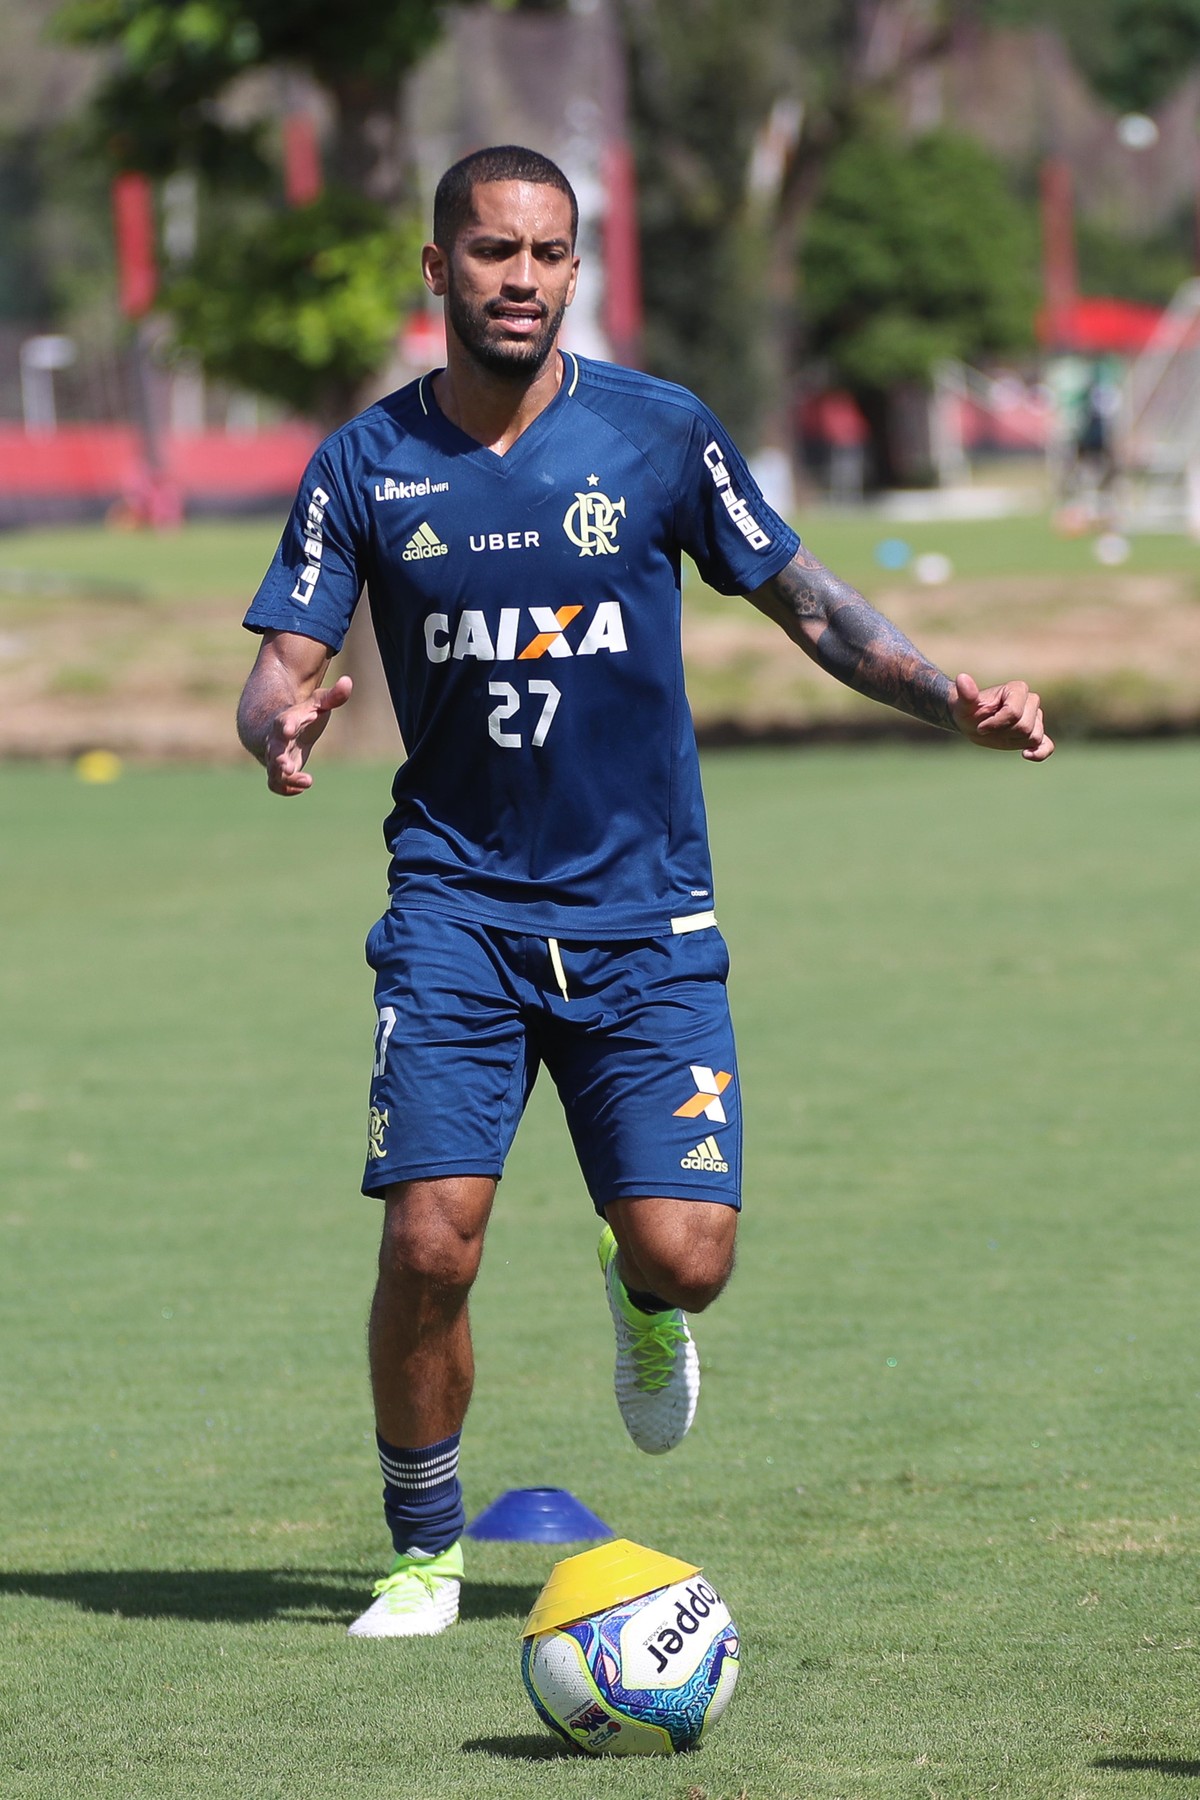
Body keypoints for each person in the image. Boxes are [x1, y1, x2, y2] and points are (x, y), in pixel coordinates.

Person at [236, 144, 1053, 1640]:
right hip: (456, 909)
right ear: (438, 268)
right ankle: (423, 1550)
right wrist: (275, 723)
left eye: (548, 253)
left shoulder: (659, 433)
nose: (522, 279)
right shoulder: (365, 463)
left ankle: (637, 1286)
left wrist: (949, 697)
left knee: (690, 1259)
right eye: (493, 252)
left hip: (643, 919)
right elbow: (280, 664)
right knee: (429, 1238)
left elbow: (810, 604)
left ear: (576, 268)